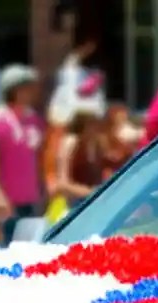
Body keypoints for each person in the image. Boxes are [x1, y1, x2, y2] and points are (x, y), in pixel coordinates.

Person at [0, 64, 45, 246]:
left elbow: (38, 159)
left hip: (30, 199)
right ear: (12, 90)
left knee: (30, 250)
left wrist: (43, 190)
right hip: (7, 201)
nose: (31, 92)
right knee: (6, 250)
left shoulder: (34, 120)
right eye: (25, 87)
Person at [53, 81, 109, 216]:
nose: (96, 125)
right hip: (74, 209)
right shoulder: (71, 142)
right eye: (91, 121)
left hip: (94, 206)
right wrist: (93, 193)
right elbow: (63, 184)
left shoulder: (97, 143)